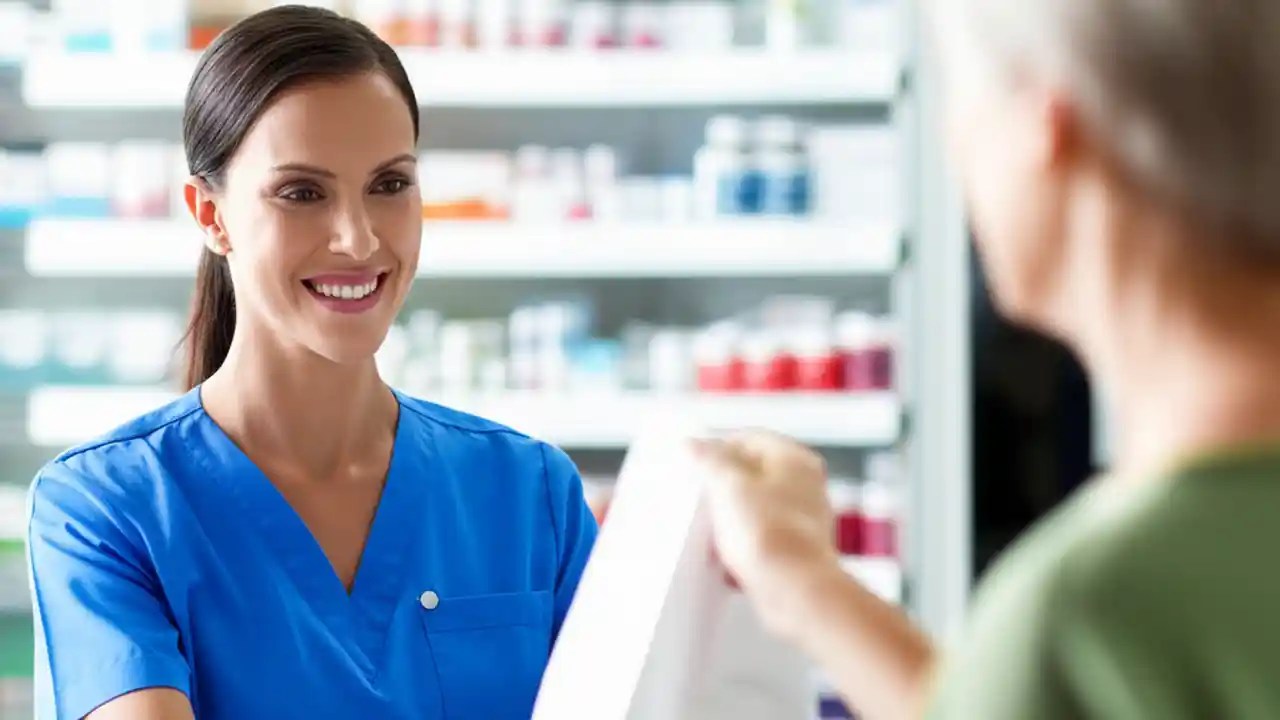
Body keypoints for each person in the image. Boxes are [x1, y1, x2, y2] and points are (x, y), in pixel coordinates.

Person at [698, 0, 1280, 717]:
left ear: (1047, 128)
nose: (951, 145)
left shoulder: (1090, 613)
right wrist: (801, 581)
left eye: (963, 100)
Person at [25, 7, 597, 720]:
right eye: (302, 193)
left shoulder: (529, 494)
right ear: (211, 216)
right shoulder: (107, 511)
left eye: (389, 185)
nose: (358, 240)